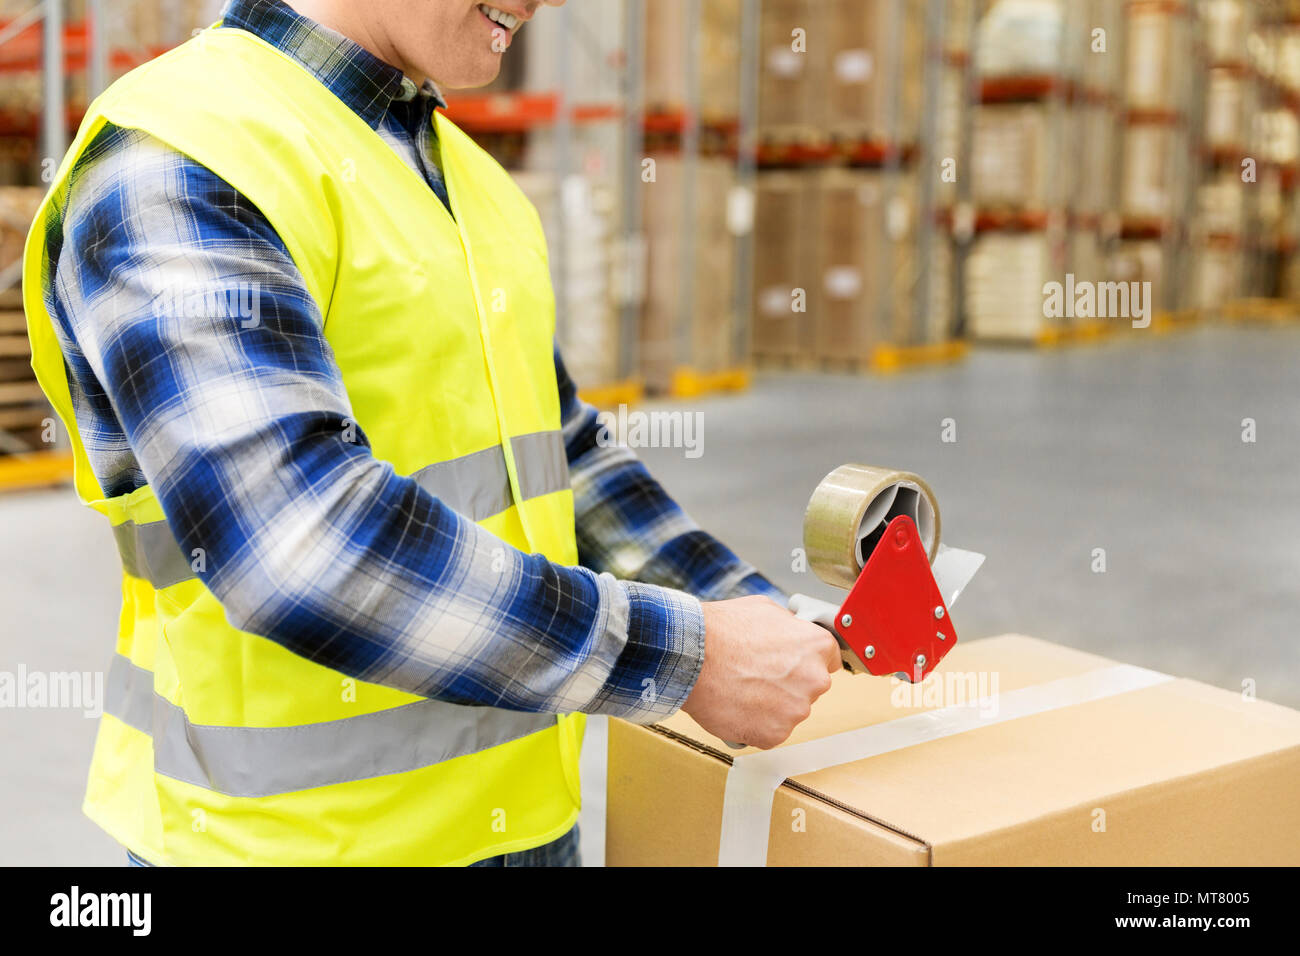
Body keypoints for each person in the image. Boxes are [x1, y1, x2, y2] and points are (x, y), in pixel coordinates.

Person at [24, 0, 838, 866]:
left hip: (522, 826)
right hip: (290, 848)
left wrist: (762, 616)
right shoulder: (181, 161)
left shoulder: (467, 176)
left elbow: (560, 454)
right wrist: (688, 656)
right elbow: (301, 549)